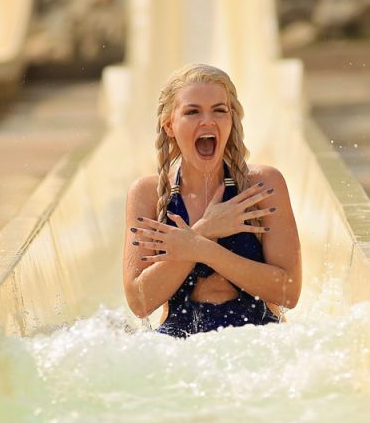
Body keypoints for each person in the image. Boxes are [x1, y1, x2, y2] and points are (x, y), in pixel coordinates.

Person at [122, 63, 301, 338]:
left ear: (231, 120)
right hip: (179, 342)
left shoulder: (262, 185)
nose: (208, 121)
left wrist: (201, 248)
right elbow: (140, 302)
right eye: (192, 112)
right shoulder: (148, 194)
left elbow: (288, 292)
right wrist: (206, 229)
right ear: (169, 125)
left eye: (219, 110)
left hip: (260, 336)